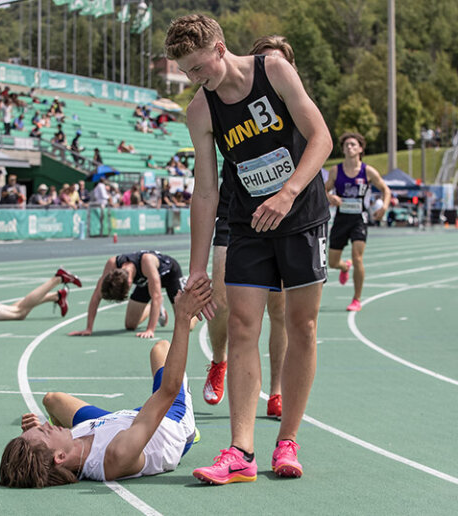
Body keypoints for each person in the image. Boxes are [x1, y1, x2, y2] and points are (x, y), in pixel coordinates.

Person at [166, 16, 332, 483]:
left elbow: (321, 138)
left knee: (303, 325)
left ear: (220, 49)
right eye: (187, 73)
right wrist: (197, 268)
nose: (196, 80)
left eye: (200, 68)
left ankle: (287, 441)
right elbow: (205, 191)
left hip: (301, 215)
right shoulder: (200, 111)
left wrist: (288, 193)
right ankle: (241, 451)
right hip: (247, 220)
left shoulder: (274, 70)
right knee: (241, 325)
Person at [0, 277, 212, 487]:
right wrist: (183, 316)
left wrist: (35, 441)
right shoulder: (116, 455)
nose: (45, 424)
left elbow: (36, 460)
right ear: (60, 457)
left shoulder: (70, 450)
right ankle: (192, 430)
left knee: (52, 400)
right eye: (45, 431)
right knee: (160, 349)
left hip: (115, 422)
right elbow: (168, 390)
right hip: (170, 419)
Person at [201, 35, 298, 417]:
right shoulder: (226, 96)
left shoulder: (290, 96)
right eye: (263, 60)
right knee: (222, 302)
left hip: (285, 215)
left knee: (281, 310)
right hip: (237, 210)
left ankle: (275, 390)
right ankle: (219, 360)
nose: (268, 67)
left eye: (277, 62)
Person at [325, 132, 391, 311]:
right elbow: (323, 191)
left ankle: (356, 299)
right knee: (332, 262)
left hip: (359, 219)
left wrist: (384, 207)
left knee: (358, 257)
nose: (349, 147)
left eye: (353, 144)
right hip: (340, 219)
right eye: (346, 145)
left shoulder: (367, 171)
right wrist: (331, 197)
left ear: (360, 149)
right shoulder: (335, 171)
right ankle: (344, 267)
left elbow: (386, 189)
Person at [69, 251, 192, 340]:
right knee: (130, 325)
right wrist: (88, 328)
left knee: (186, 324)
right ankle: (157, 310)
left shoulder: (147, 261)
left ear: (129, 282)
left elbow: (157, 296)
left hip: (169, 276)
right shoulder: (112, 264)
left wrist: (150, 329)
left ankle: (195, 308)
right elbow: (97, 295)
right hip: (145, 281)